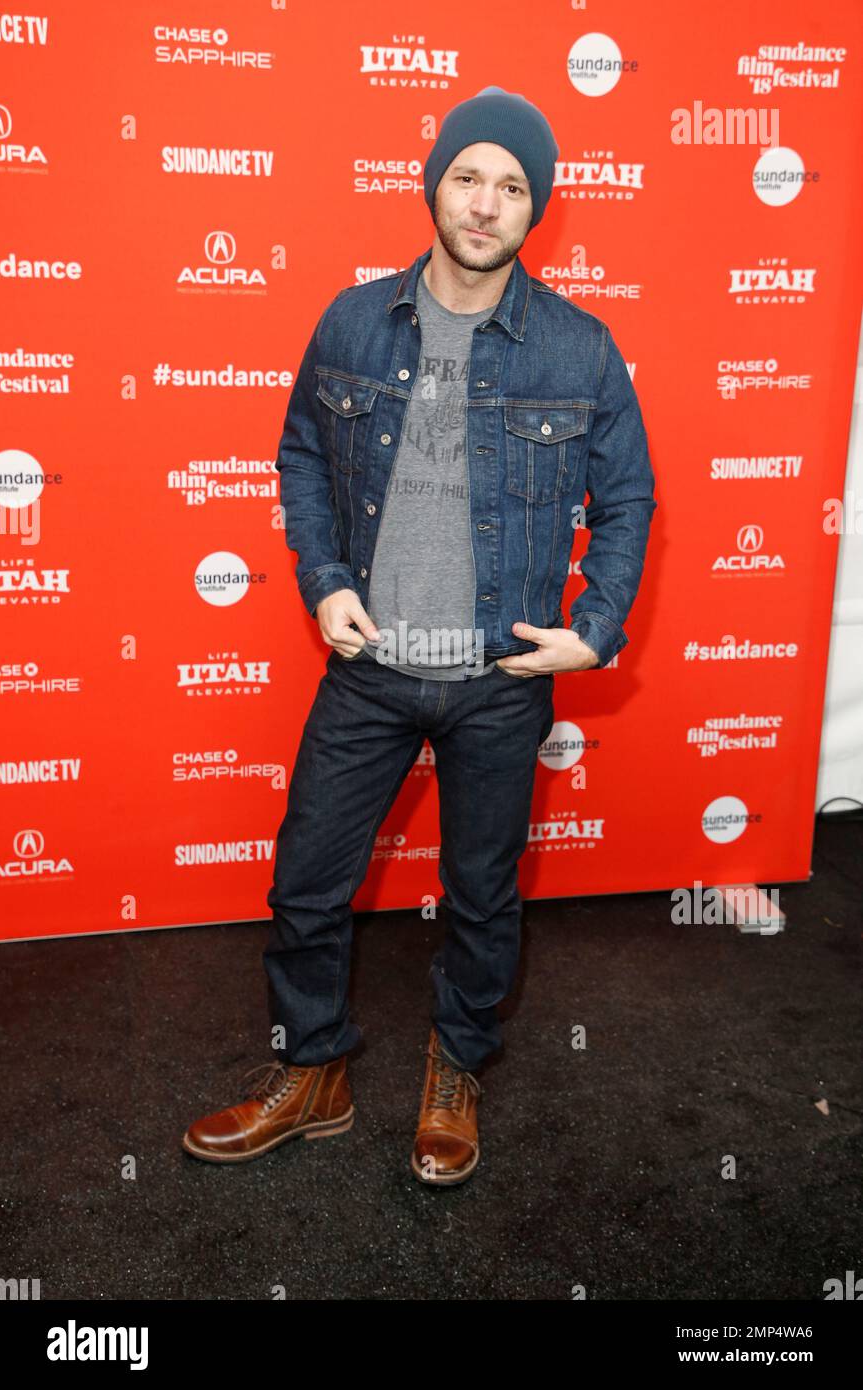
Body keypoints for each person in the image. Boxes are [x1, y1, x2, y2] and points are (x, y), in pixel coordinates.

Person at [182, 86, 657, 1186]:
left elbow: (627, 498)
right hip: (369, 666)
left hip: (499, 675)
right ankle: (313, 1071)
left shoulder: (578, 350)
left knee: (482, 896)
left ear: (534, 210)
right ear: (432, 181)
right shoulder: (353, 320)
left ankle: (456, 1069)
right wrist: (324, 577)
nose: (485, 203)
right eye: (468, 175)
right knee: (305, 882)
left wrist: (593, 630)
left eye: (512, 186)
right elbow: (301, 451)